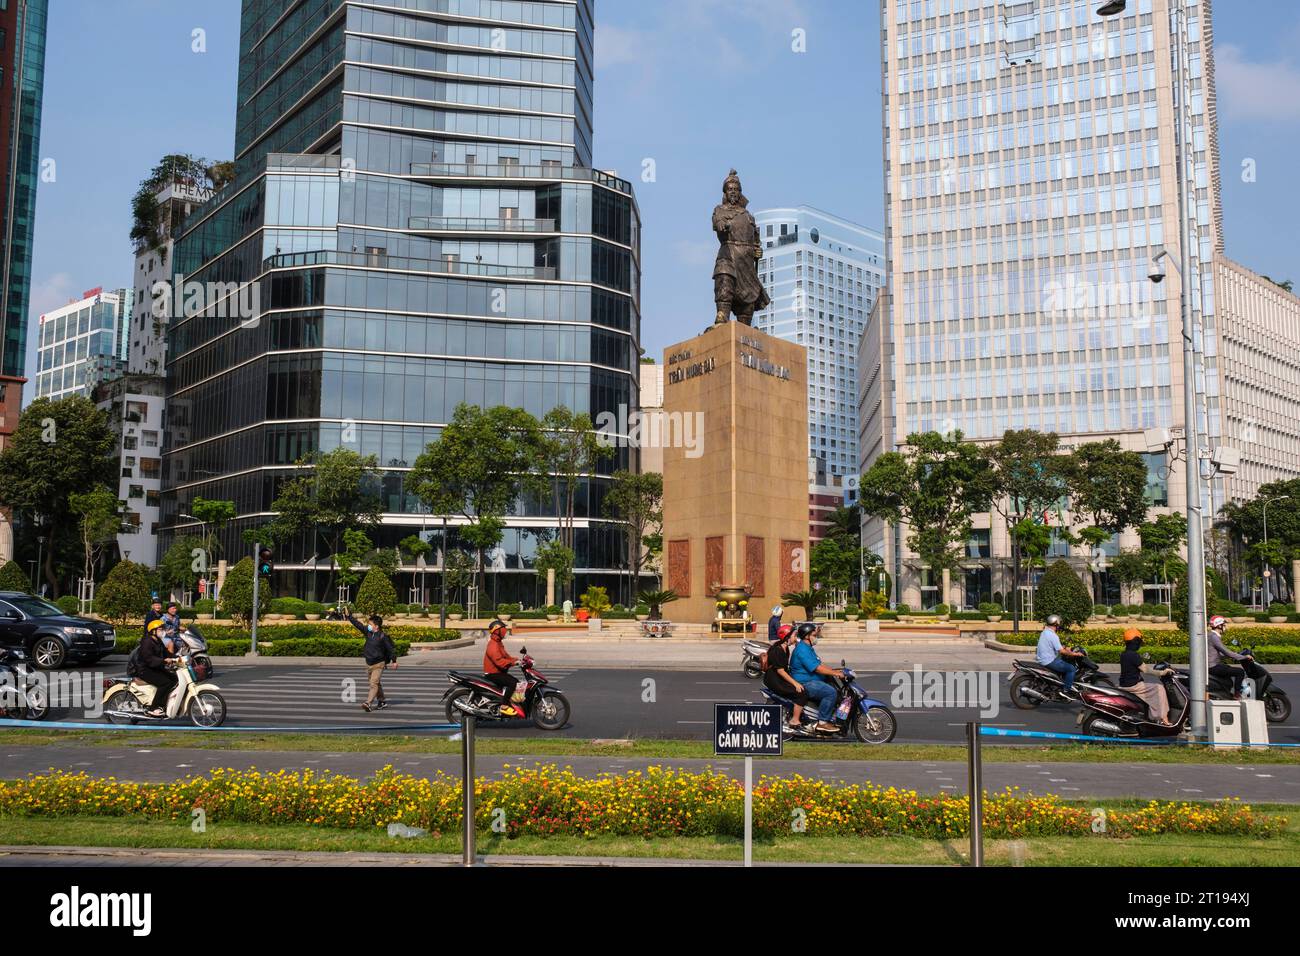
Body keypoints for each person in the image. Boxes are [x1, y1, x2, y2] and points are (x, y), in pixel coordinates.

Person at [789, 622, 843, 733]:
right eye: (814, 635)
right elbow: (817, 668)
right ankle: (822, 722)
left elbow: (819, 664)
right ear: (807, 636)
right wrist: (835, 673)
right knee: (830, 692)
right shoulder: (802, 650)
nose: (816, 637)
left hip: (812, 680)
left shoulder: (808, 648)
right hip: (805, 682)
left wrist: (834, 671)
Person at [346, 609, 398, 712]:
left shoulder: (383, 636)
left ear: (376, 626)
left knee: (373, 683)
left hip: (379, 663)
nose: (368, 625)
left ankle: (368, 703)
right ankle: (382, 701)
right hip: (369, 663)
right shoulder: (368, 632)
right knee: (376, 683)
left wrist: (394, 661)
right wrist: (349, 616)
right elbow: (358, 625)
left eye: (370, 624)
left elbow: (390, 649)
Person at [1118, 629, 1172, 726]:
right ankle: (1163, 717)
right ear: (1136, 642)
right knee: (1159, 688)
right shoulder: (1134, 655)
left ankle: (1152, 715)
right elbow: (1146, 670)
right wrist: (1162, 673)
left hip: (1124, 684)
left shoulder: (1124, 654)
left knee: (1151, 687)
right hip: (1133, 685)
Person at [763, 623, 806, 731]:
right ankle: (795, 720)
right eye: (794, 636)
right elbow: (781, 671)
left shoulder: (784, 648)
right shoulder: (777, 650)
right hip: (775, 680)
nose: (796, 638)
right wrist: (795, 683)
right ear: (787, 637)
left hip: (778, 677)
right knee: (801, 693)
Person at [1035, 613, 1085, 698]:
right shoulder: (1053, 635)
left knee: (1064, 663)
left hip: (1043, 659)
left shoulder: (1045, 632)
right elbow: (1062, 652)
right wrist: (1075, 653)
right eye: (1058, 623)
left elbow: (1054, 646)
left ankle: (1061, 682)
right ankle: (1066, 691)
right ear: (1056, 624)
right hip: (1049, 661)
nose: (1059, 625)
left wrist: (1065, 648)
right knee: (1071, 669)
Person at [137, 619, 179, 718]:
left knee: (174, 679)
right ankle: (154, 708)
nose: (163, 631)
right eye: (160, 629)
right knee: (165, 683)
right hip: (145, 670)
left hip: (155, 667)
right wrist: (164, 661)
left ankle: (165, 704)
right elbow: (149, 658)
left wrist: (177, 658)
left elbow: (166, 653)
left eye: (163, 629)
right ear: (153, 631)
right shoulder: (147, 642)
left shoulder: (158, 641)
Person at [483, 618, 522, 717]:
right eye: (503, 629)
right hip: (493, 674)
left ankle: (507, 702)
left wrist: (517, 660)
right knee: (513, 682)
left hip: (498, 672)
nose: (505, 631)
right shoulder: (493, 645)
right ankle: (504, 706)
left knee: (514, 681)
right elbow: (499, 662)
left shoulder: (498, 643)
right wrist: (513, 663)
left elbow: (506, 657)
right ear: (497, 631)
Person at [1208, 615, 1251, 699]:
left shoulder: (1210, 635)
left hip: (1211, 665)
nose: (1225, 627)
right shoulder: (1214, 637)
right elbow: (1226, 652)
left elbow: (1218, 653)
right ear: (1219, 626)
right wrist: (1244, 657)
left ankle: (1225, 693)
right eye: (1224, 625)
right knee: (1240, 672)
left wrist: (1236, 655)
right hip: (1212, 666)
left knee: (1227, 669)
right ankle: (1237, 695)